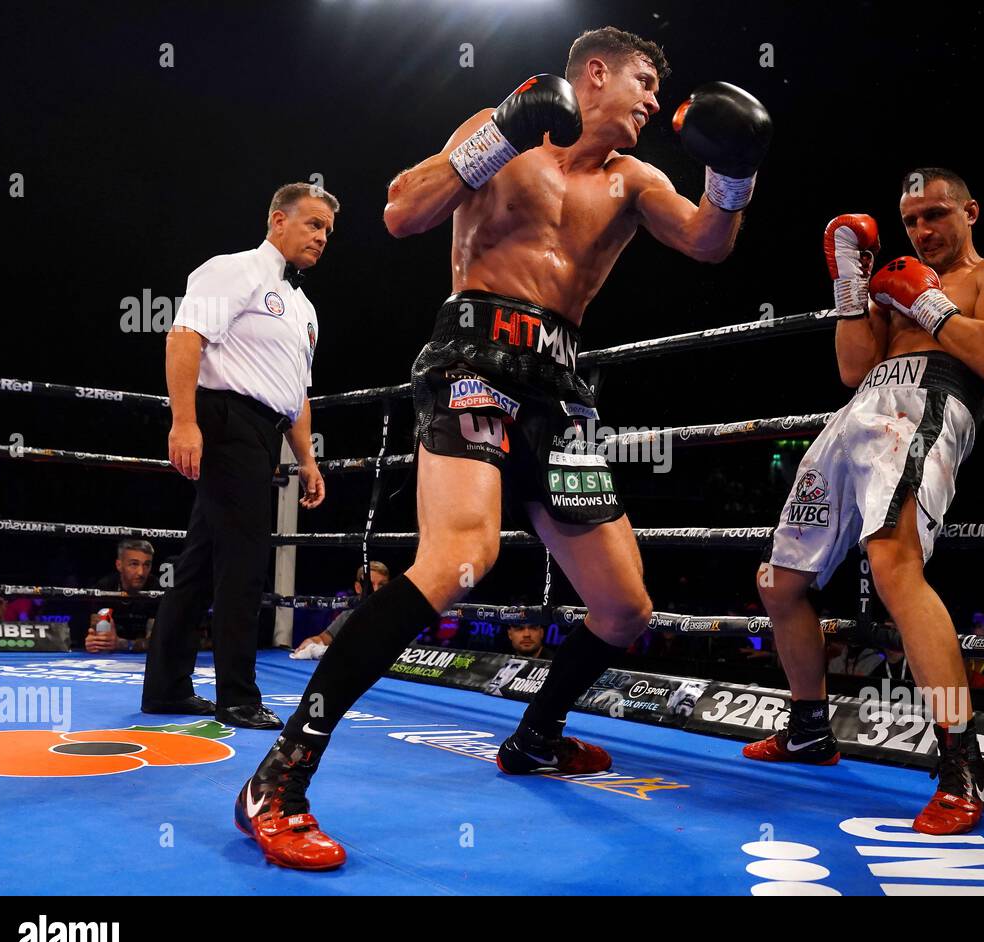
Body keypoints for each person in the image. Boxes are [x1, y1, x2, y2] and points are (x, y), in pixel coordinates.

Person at [235, 26, 772, 870]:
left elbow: (708, 240)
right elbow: (402, 211)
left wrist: (736, 168)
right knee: (459, 557)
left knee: (626, 607)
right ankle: (283, 773)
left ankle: (537, 736)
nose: (649, 100)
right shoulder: (503, 128)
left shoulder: (636, 179)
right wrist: (504, 132)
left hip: (561, 389)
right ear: (593, 74)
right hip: (473, 360)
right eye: (640, 80)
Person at [748, 167, 984, 836]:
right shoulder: (889, 282)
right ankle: (810, 728)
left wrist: (929, 304)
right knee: (779, 581)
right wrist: (852, 285)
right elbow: (852, 368)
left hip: (928, 404)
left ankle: (964, 761)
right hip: (858, 411)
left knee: (895, 566)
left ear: (971, 210)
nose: (924, 230)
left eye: (937, 214)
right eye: (912, 220)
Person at [142, 182, 332, 727]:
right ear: (278, 220)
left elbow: (296, 394)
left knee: (199, 564)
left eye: (327, 231)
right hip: (225, 421)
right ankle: (238, 696)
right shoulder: (232, 269)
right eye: (313, 224)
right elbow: (184, 338)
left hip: (262, 432)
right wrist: (184, 421)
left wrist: (308, 461)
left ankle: (167, 688)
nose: (321, 237)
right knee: (244, 562)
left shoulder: (302, 307)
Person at [291, 562, 391, 660]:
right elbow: (323, 639)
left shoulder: (396, 614)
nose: (376, 590)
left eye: (382, 585)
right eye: (370, 585)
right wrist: (311, 642)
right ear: (358, 588)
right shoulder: (349, 614)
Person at [85, 539, 158, 654]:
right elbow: (99, 631)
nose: (141, 572)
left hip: (146, 660)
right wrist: (97, 642)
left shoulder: (156, 589)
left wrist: (122, 644)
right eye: (134, 564)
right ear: (119, 565)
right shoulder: (105, 587)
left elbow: (157, 642)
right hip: (113, 658)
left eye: (146, 565)